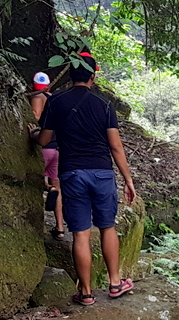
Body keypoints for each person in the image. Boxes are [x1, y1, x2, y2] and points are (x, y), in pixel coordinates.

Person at [37, 53, 137, 305]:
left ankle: (86, 293)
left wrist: (33, 134)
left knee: (80, 234)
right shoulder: (104, 105)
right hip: (101, 172)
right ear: (93, 76)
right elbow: (115, 147)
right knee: (107, 227)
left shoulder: (56, 101)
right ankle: (115, 283)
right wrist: (128, 180)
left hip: (71, 172)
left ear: (71, 75)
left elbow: (44, 140)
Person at [28, 72, 65, 238]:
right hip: (58, 148)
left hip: (45, 148)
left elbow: (35, 115)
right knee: (57, 187)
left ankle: (35, 228)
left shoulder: (38, 96)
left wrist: (32, 129)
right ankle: (60, 228)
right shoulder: (55, 98)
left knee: (36, 183)